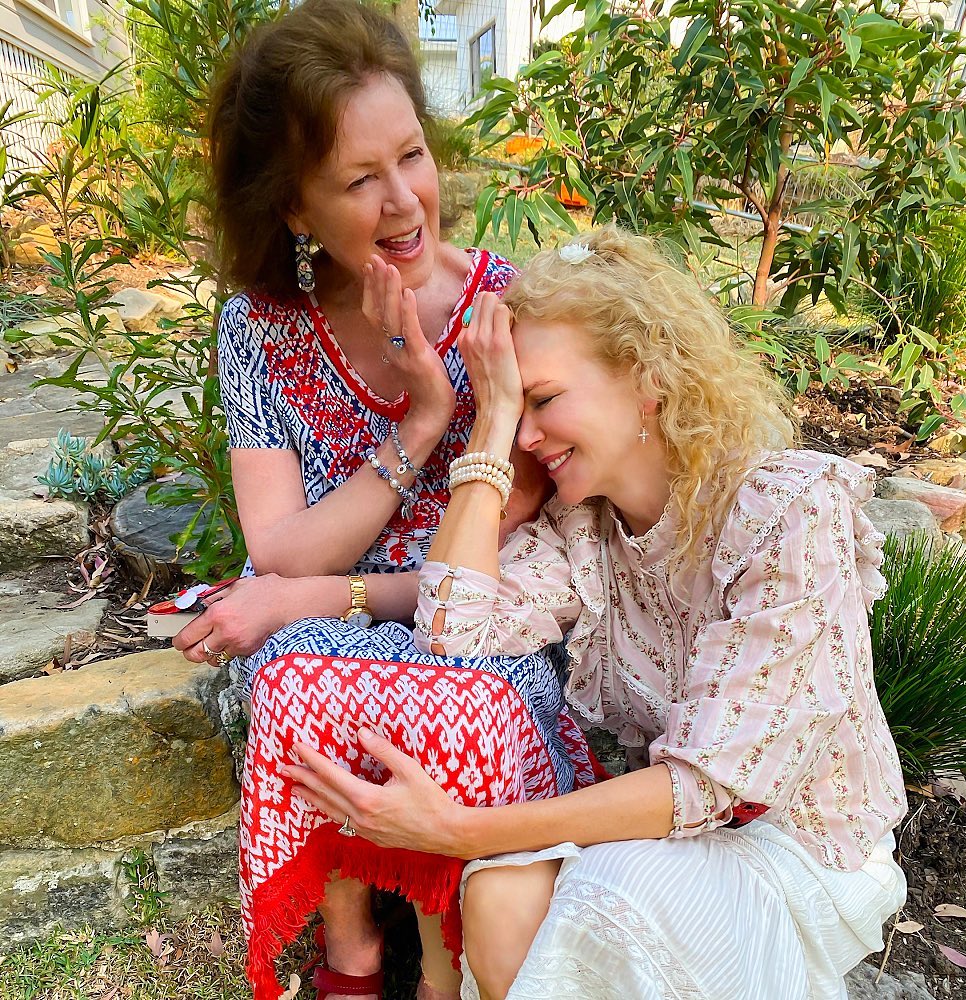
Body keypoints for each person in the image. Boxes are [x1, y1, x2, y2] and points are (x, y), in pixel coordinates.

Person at [281, 225, 910, 1000]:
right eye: (518, 412)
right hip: (682, 837)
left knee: (597, 895)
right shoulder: (587, 533)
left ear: (646, 379)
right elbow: (448, 633)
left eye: (541, 400)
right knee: (500, 894)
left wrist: (457, 831)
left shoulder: (785, 510)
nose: (530, 437)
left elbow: (706, 788)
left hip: (801, 852)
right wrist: (486, 427)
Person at [171, 2, 599, 999]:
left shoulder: (511, 312)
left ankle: (448, 957)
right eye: (360, 179)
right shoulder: (257, 330)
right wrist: (421, 422)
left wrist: (308, 599)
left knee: (389, 673)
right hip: (321, 635)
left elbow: (487, 589)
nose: (405, 200)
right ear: (292, 208)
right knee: (285, 667)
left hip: (479, 627)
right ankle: (353, 954)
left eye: (411, 155)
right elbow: (279, 552)